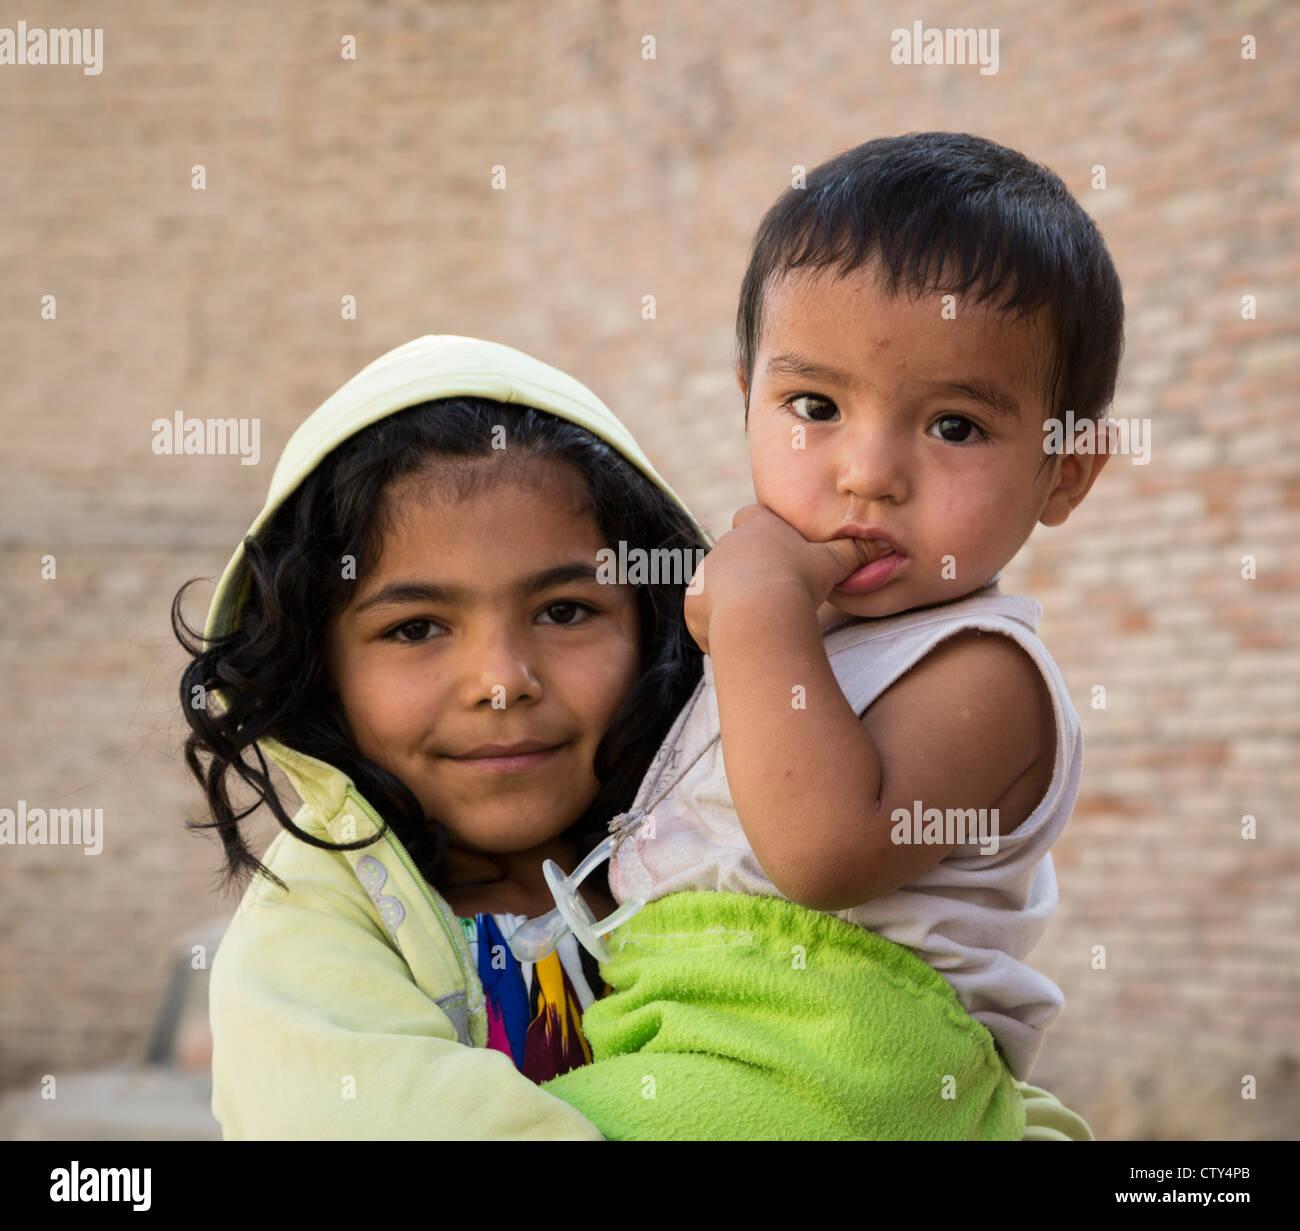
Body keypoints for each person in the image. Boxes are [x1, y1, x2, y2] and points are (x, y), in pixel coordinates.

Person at [541, 133, 1119, 1140]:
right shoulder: (804, 633)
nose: (867, 472)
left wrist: (756, 612)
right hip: (701, 1031)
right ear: (748, 405)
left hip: (842, 1057)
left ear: (1064, 471)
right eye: (814, 406)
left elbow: (817, 850)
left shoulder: (984, 673)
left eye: (952, 426)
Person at [177, 334, 707, 1137]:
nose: (501, 681)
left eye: (565, 610)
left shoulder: (723, 858)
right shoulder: (305, 945)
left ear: (656, 625)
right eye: (417, 627)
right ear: (321, 667)